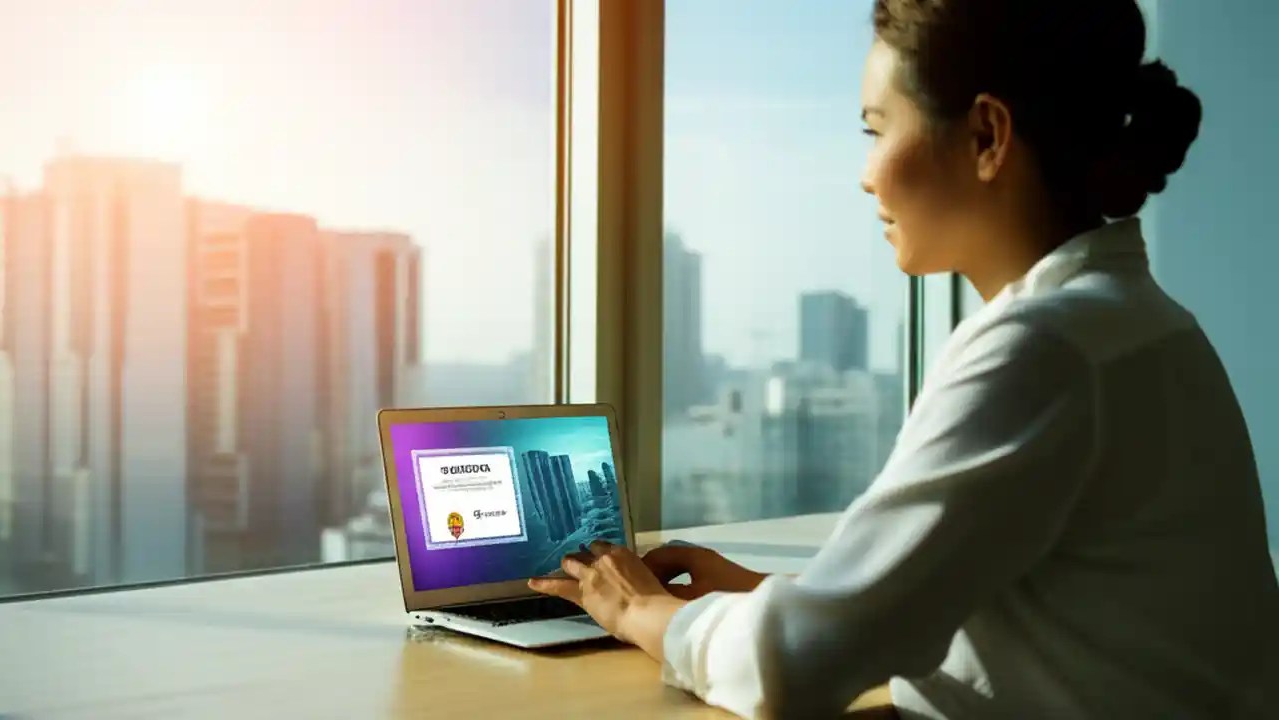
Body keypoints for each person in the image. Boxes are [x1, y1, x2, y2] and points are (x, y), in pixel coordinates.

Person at [530, 1, 1279, 717]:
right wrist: (780, 594)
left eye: (875, 129)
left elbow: (790, 672)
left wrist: (634, 609)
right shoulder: (1140, 325)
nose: (866, 175)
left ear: (988, 137)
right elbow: (1005, 605)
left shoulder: (1040, 350)